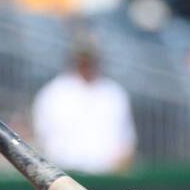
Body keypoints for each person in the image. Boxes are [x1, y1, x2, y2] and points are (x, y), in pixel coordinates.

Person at [31, 42, 136, 173]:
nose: (87, 64)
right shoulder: (53, 93)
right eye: (82, 59)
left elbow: (126, 142)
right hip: (65, 174)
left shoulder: (114, 93)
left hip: (106, 175)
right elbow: (42, 137)